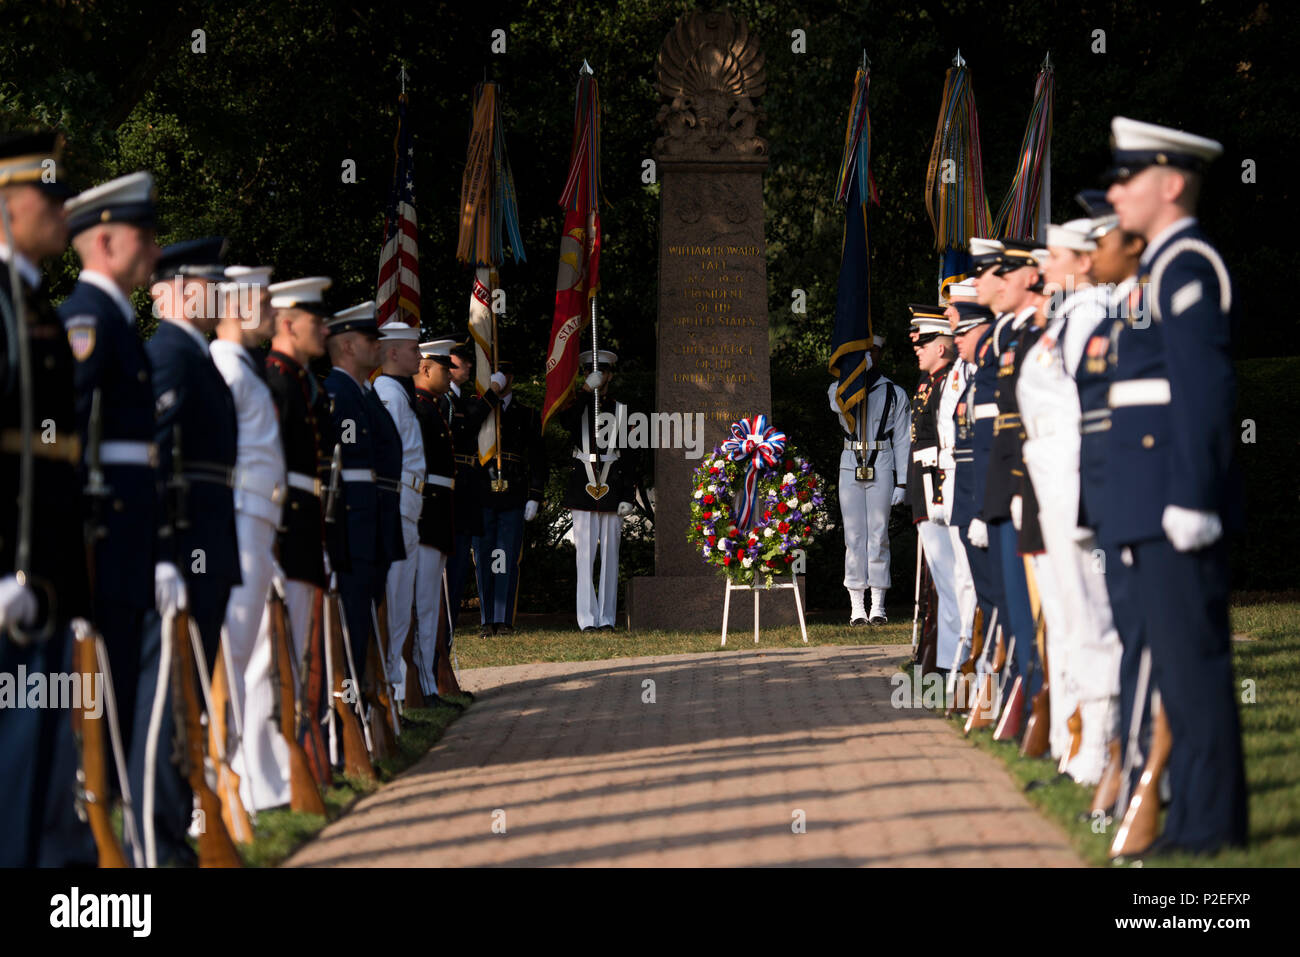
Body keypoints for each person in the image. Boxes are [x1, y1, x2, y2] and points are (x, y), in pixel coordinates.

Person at [1101, 117, 1246, 855]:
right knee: (1181, 676)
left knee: (1191, 671)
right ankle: (1197, 815)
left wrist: (1191, 496)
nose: (1117, 190)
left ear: (1172, 182)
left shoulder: (1187, 265)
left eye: (1129, 177)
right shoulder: (1159, 270)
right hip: (1149, 504)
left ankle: (1209, 823)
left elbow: (1203, 389)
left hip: (1172, 505)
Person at [130, 235, 240, 867]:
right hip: (189, 546)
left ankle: (172, 831)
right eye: (209, 282)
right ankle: (159, 841)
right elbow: (151, 460)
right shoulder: (171, 352)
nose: (219, 292)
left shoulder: (193, 355)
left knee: (188, 699)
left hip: (210, 542)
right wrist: (166, 550)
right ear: (173, 290)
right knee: (170, 703)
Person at [0, 130, 93, 867]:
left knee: (47, 756)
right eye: (49, 197)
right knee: (17, 761)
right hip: (16, 576)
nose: (62, 211)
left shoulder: (32, 298)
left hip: (51, 575)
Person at [58, 171, 165, 765]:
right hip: (106, 529)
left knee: (125, 674)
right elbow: (65, 441)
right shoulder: (88, 320)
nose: (154, 249)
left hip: (128, 524)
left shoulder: (116, 317)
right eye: (142, 235)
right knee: (104, 684)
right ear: (103, 242)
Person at [1019, 221, 1121, 783]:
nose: (1044, 268)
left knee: (1090, 616)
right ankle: (1084, 747)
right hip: (1052, 482)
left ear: (1082, 261)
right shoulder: (1068, 316)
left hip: (1073, 483)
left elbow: (1089, 415)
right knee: (1072, 615)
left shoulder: (1086, 317)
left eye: (1055, 257)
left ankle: (1099, 745)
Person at [1073, 195, 1149, 811]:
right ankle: (1105, 749)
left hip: (1136, 493)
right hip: (1101, 489)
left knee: (1129, 631)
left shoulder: (1139, 307)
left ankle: (1131, 760)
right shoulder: (1106, 316)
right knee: (1097, 622)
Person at [210, 264, 289, 811]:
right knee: (230, 657)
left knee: (256, 654)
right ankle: (216, 780)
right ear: (236, 306)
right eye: (260, 299)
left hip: (257, 520)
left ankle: (254, 774)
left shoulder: (244, 367)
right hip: (237, 519)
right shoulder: (226, 369)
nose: (269, 310)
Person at [259, 275, 336, 804]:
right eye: (316, 320)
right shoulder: (276, 380)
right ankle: (289, 762)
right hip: (288, 528)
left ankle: (307, 754)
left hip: (307, 525)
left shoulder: (301, 381)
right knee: (283, 656)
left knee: (306, 650)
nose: (325, 328)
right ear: (288, 323)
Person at [979, 239, 1049, 723]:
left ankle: (1039, 699)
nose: (995, 283)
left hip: (1031, 484)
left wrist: (1020, 485)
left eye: (1002, 273)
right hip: (1008, 485)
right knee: (1014, 603)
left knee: (1039, 607)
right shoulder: (1009, 334)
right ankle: (1028, 699)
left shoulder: (1034, 335)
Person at [323, 302, 398, 704]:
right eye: (371, 340)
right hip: (351, 525)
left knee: (363, 617)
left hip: (368, 521)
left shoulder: (359, 394)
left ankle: (360, 703)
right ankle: (348, 706)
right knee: (350, 620)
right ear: (349, 346)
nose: (378, 346)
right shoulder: (337, 394)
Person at [829, 335, 910, 625]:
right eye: (863, 351)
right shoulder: (841, 389)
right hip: (851, 462)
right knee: (854, 536)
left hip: (882, 461)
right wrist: (855, 377)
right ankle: (856, 606)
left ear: (880, 354)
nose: (869, 356)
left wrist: (902, 481)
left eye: (873, 351)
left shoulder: (894, 393)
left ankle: (877, 604)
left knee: (878, 534)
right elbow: (838, 406)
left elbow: (902, 439)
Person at [561, 350, 636, 632]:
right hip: (583, 485)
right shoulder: (577, 404)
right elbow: (567, 424)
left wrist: (629, 494)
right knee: (584, 556)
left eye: (601, 372)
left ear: (610, 375)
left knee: (610, 557)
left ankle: (606, 618)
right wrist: (583, 392)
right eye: (590, 372)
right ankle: (586, 619)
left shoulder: (621, 409)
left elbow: (630, 454)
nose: (597, 376)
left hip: (613, 485)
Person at [472, 359, 547, 636]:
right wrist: (490, 394)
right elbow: (468, 427)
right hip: (482, 492)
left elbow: (538, 457)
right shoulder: (480, 407)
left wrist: (535, 495)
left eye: (504, 372)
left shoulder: (526, 413)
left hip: (513, 492)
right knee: (484, 556)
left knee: (506, 555)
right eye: (495, 372)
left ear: (511, 376)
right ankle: (486, 619)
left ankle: (503, 619)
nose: (501, 377)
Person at [905, 306, 961, 673]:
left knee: (954, 582)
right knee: (943, 579)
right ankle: (943, 659)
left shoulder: (946, 384)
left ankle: (954, 662)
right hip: (924, 491)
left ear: (940, 347)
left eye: (923, 341)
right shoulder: (929, 382)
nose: (916, 346)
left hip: (938, 489)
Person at [373, 320, 426, 705]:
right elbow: (388, 461)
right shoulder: (388, 395)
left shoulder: (396, 392)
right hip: (399, 501)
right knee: (395, 601)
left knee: (402, 601)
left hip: (409, 501)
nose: (419, 357)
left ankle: (394, 689)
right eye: (413, 349)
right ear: (392, 352)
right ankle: (390, 690)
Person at [412, 337, 462, 700]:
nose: (452, 374)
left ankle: (430, 681)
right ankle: (423, 684)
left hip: (438, 513)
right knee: (424, 604)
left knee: (432, 603)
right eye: (446, 368)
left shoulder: (432, 406)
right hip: (426, 514)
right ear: (425, 368)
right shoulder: (418, 408)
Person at [444, 342, 504, 636]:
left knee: (457, 574)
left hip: (465, 489)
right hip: (450, 489)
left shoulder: (459, 400)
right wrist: (492, 393)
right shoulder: (442, 402)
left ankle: (446, 640)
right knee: (447, 573)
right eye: (462, 361)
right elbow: (467, 427)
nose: (469, 366)